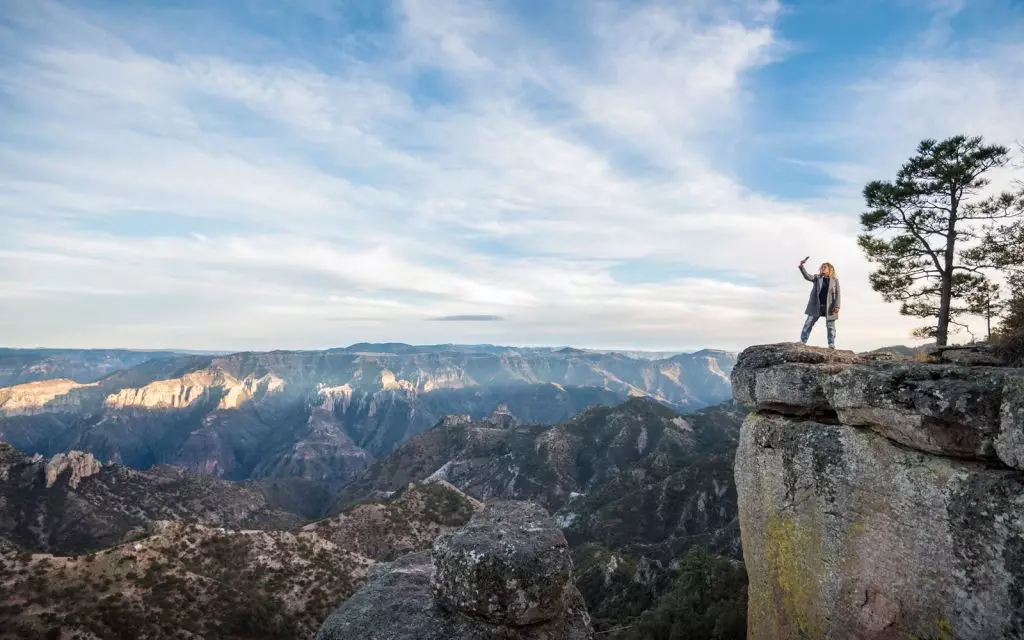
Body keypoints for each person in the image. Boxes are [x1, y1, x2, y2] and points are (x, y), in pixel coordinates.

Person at [798, 257, 840, 349]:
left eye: (824, 267)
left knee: (831, 327)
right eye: (822, 267)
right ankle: (803, 341)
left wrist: (837, 306)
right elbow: (807, 276)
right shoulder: (817, 278)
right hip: (816, 305)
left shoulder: (835, 280)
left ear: (830, 269)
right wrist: (801, 266)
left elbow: (837, 294)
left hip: (829, 307)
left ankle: (831, 344)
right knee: (808, 323)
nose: (822, 268)